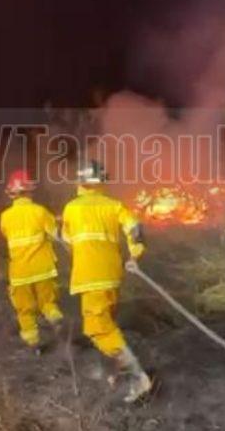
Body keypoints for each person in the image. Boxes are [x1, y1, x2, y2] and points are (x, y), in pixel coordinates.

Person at [61, 159, 152, 402]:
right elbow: (135, 229)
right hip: (112, 275)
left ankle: (136, 376)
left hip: (90, 276)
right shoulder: (114, 206)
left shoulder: (71, 208)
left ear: (80, 182)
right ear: (101, 181)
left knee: (96, 328)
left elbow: (67, 240)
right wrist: (135, 254)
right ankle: (113, 372)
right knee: (107, 322)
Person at [0, 169, 64, 353]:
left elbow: (7, 234)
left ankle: (33, 345)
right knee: (48, 303)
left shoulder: (5, 217)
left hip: (20, 273)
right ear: (29, 191)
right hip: (43, 268)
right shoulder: (40, 212)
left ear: (12, 193)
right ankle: (55, 318)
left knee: (25, 310)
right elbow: (55, 233)